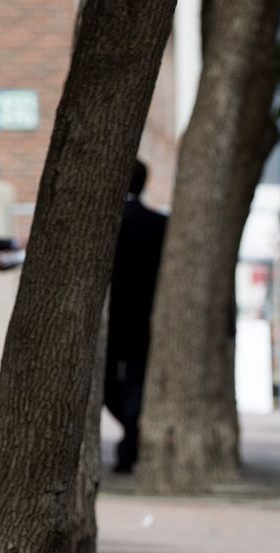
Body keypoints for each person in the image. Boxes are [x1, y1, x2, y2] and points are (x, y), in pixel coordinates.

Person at [104, 160, 167, 474]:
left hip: (114, 315)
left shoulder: (107, 223)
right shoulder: (159, 224)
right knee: (136, 381)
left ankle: (130, 438)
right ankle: (131, 438)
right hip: (145, 315)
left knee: (108, 382)